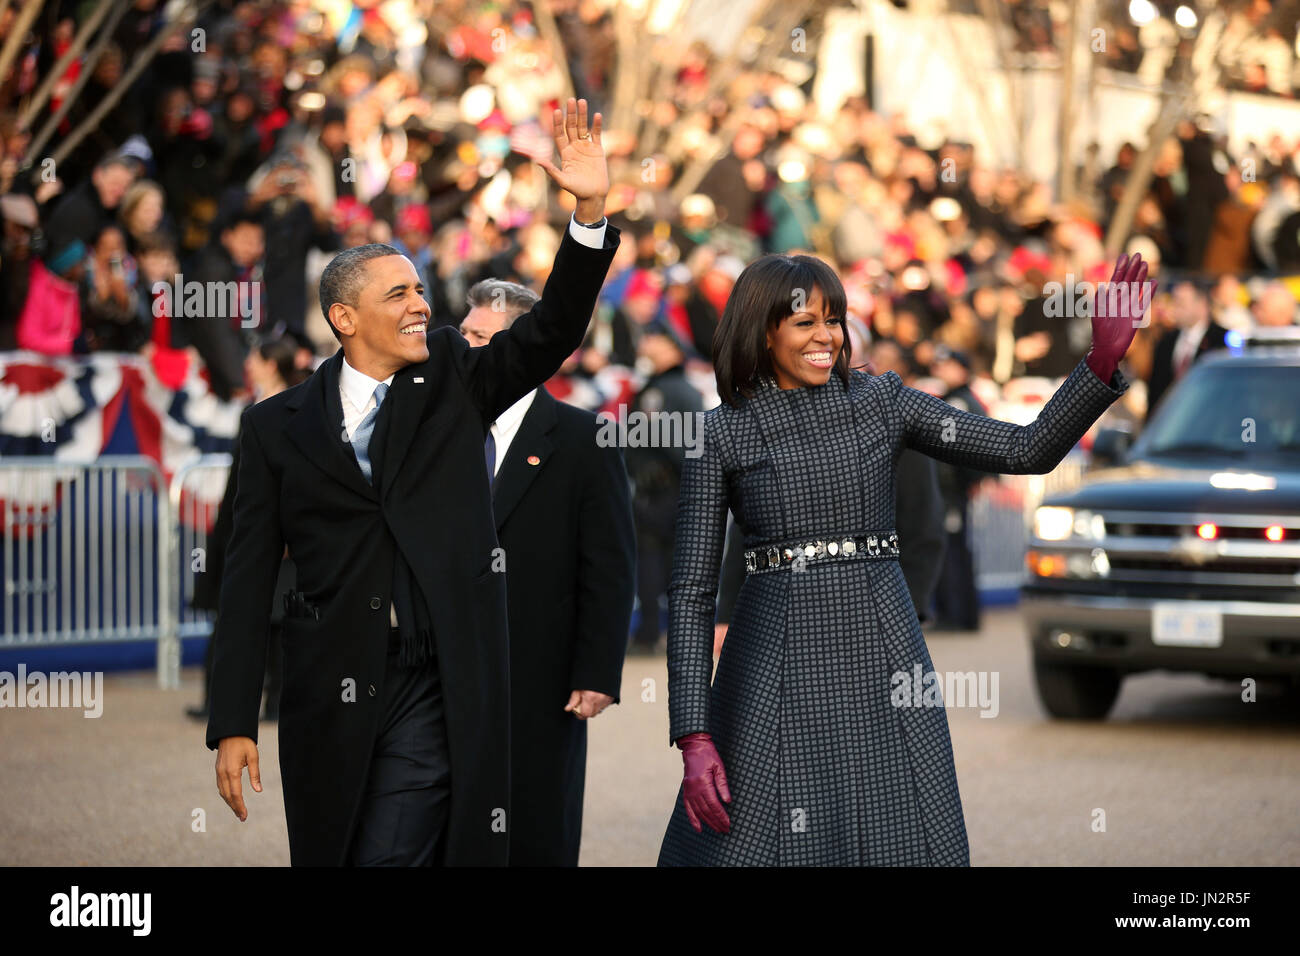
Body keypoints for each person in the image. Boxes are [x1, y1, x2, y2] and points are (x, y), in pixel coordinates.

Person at [206, 99, 617, 867]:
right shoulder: (275, 426)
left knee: (392, 853)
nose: (421, 305)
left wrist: (588, 215)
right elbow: (245, 574)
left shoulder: (459, 376)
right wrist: (232, 721)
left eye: (421, 290)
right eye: (397, 294)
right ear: (342, 318)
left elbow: (554, 326)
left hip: (438, 679)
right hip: (328, 691)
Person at [657, 251, 1149, 866]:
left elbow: (1026, 449)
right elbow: (693, 590)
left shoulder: (884, 402)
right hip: (768, 665)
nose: (826, 337)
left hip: (882, 653)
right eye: (806, 322)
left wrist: (1100, 363)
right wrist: (693, 734)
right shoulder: (722, 433)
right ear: (762, 329)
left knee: (900, 839)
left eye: (834, 320)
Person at [458, 278, 635, 867]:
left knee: (537, 822)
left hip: (542, 673)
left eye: (483, 338)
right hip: (444, 666)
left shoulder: (584, 439)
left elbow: (609, 566)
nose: (467, 349)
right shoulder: (437, 431)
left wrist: (597, 670)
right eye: (465, 335)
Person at [188, 337, 310, 722]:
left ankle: (276, 701)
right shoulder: (251, 409)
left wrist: (290, 530)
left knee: (277, 621)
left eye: (255, 358)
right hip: (239, 522)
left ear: (271, 364)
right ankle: (219, 701)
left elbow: (296, 477)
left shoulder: (298, 409)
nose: (249, 363)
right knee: (229, 614)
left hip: (278, 531)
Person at [626, 318, 704, 654]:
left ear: (670, 348)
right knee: (678, 564)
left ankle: (648, 633)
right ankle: (678, 635)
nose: (646, 346)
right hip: (682, 489)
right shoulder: (686, 388)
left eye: (653, 339)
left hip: (659, 491)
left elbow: (664, 440)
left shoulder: (658, 391)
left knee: (650, 556)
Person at [928, 346, 988, 632]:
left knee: (952, 551)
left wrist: (965, 482)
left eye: (949, 365)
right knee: (955, 550)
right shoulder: (962, 399)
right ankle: (961, 614)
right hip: (954, 491)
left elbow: (957, 452)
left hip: (951, 493)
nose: (941, 370)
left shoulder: (958, 402)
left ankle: (956, 614)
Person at [1145, 279, 1227, 421]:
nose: (1175, 307)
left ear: (1202, 305)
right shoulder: (1165, 342)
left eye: (1181, 302)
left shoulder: (1221, 341)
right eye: (1174, 301)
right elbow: (1155, 391)